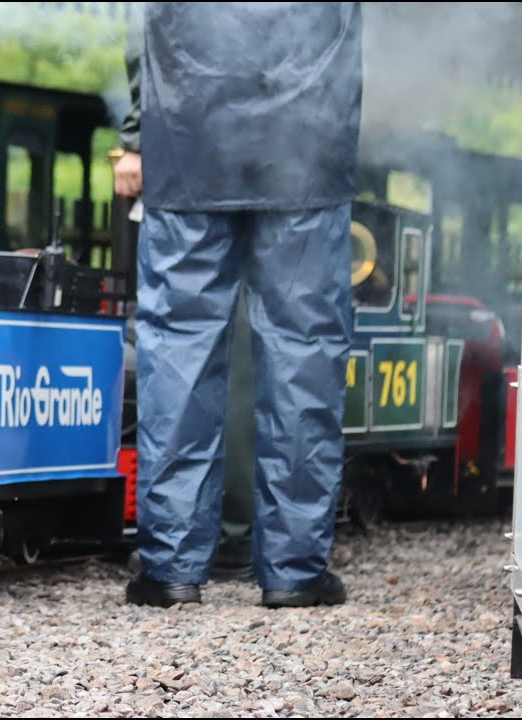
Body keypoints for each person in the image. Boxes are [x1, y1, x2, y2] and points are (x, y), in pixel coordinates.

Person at [125, 2, 361, 609]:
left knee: (179, 353)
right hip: (306, 153)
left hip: (187, 143)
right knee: (304, 355)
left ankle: (173, 568)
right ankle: (293, 570)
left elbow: (143, 28)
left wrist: (134, 135)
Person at [112, 7, 255, 584]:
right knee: (245, 363)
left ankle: (177, 549)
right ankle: (240, 534)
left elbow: (151, 40)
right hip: (272, 169)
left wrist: (133, 139)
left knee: (179, 360)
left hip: (188, 167)